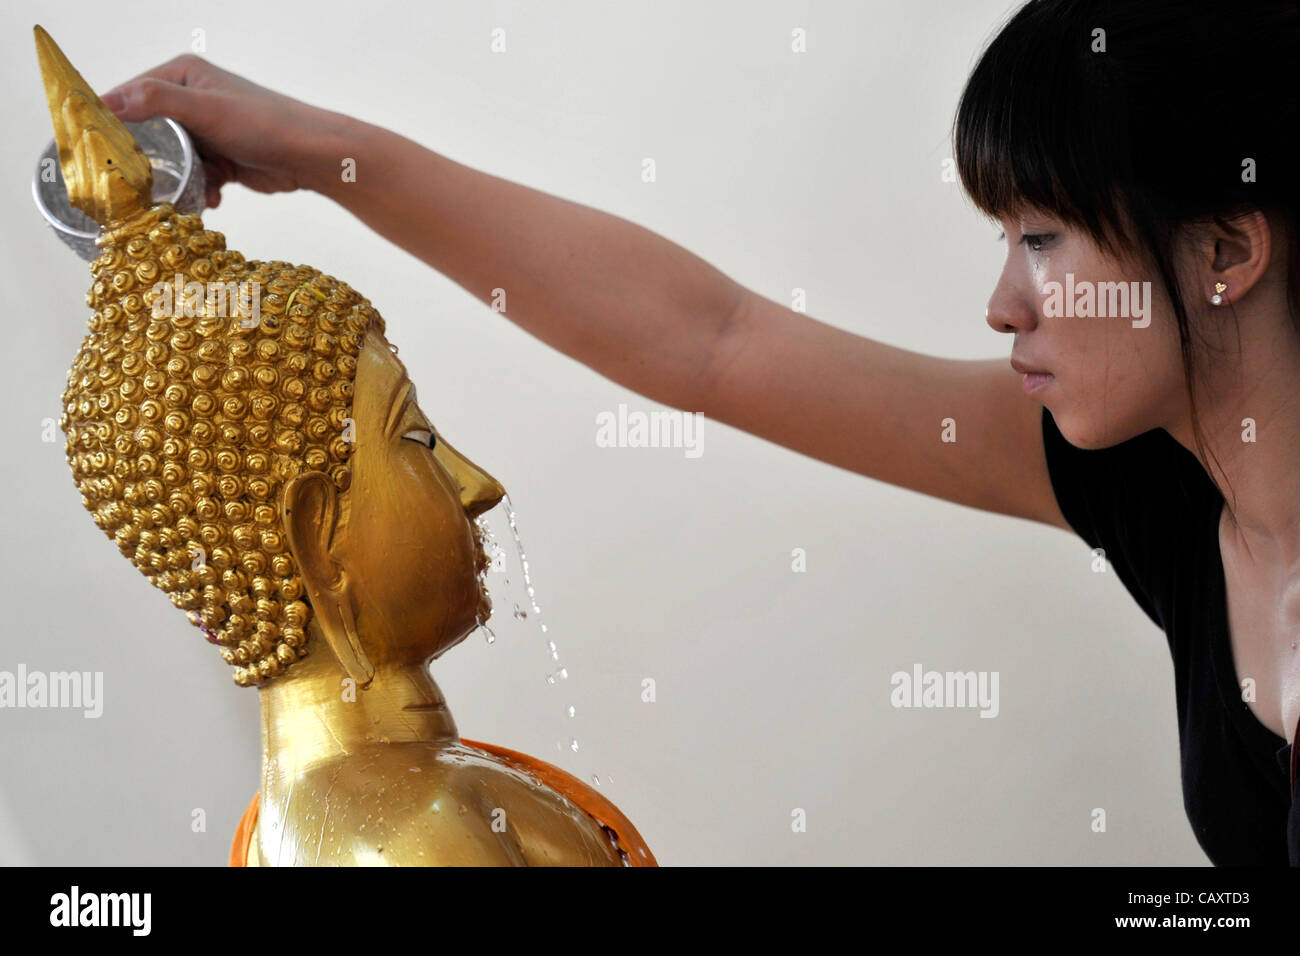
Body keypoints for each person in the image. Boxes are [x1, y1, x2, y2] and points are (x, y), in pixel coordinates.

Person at [99, 0, 1300, 865]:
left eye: (1041, 239)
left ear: (1227, 251)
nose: (1001, 303)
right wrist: (322, 153)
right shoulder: (1155, 483)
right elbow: (713, 343)